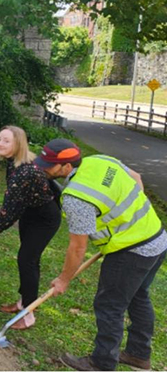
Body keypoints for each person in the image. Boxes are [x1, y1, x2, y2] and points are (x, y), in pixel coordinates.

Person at [33, 139, 167, 371]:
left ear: (66, 167)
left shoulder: (76, 197)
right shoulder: (101, 161)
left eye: (49, 164)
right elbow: (136, 177)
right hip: (157, 237)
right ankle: (138, 355)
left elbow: (78, 248)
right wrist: (129, 215)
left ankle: (102, 363)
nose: (43, 167)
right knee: (138, 297)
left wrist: (64, 280)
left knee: (109, 305)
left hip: (131, 251)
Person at [0, 126, 61, 330]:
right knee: (28, 260)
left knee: (27, 260)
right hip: (30, 213)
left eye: (6, 141)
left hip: (44, 219)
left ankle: (28, 314)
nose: (0, 143)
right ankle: (23, 302)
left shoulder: (24, 171)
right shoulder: (17, 164)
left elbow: (11, 206)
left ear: (18, 144)